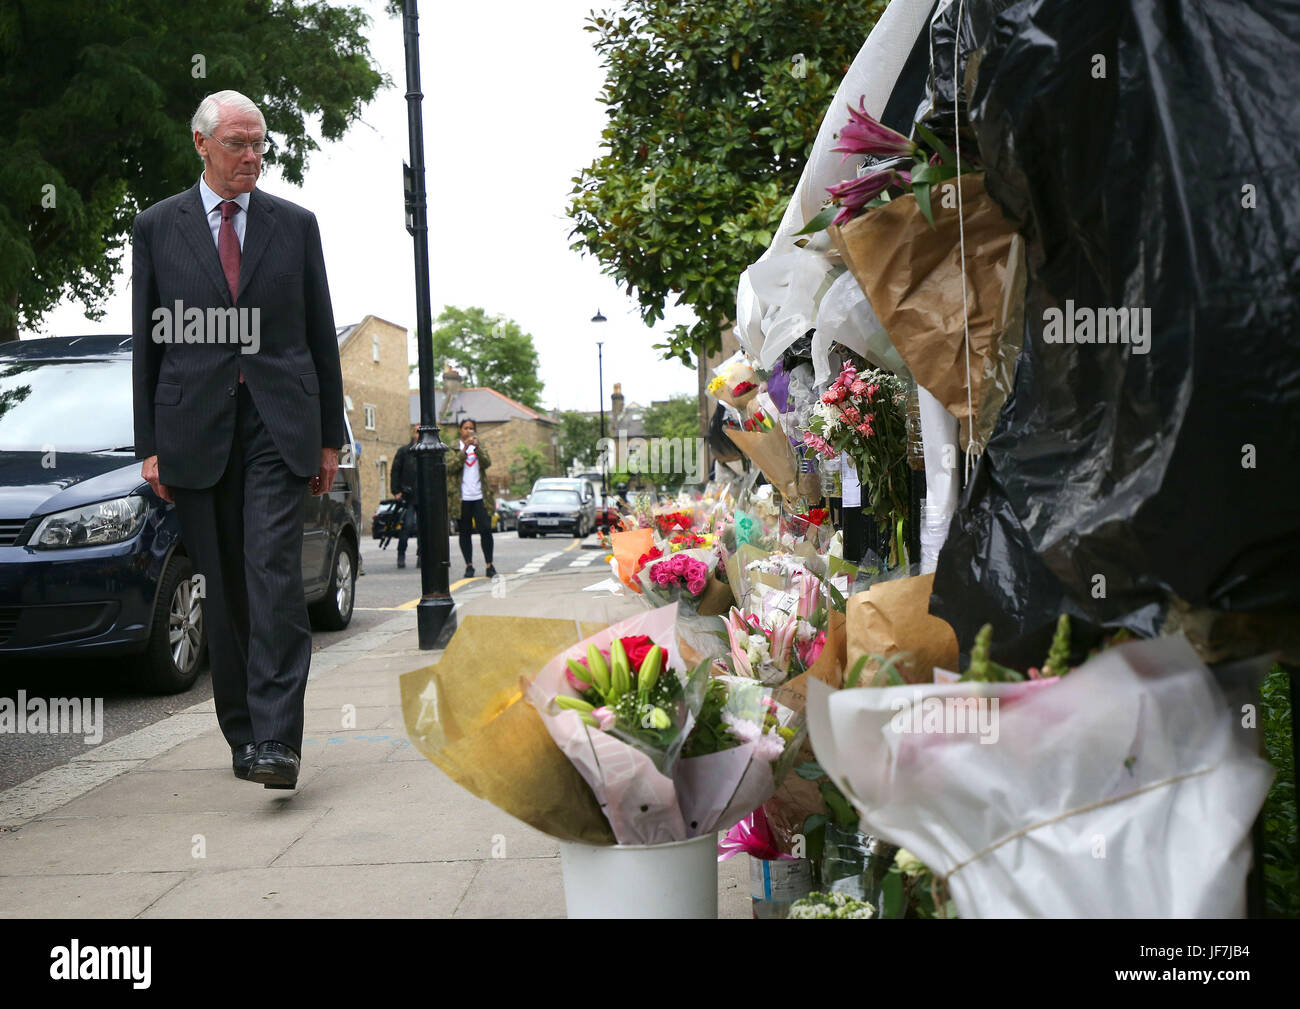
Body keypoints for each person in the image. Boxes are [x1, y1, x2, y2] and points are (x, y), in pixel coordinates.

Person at [131, 90, 345, 790]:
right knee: (222, 588)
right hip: (194, 425)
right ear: (202, 144)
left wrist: (329, 436)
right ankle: (245, 735)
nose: (251, 156)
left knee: (274, 574)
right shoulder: (157, 228)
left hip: (277, 423)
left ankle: (280, 739)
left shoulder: (296, 224)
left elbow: (319, 332)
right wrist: (149, 442)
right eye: (237, 144)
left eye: (259, 144)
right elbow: (149, 344)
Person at [447, 418, 496, 578]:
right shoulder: (453, 448)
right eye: (465, 428)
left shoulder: (479, 447)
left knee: (486, 530)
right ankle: (469, 565)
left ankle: (489, 564)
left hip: (480, 496)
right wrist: (464, 450)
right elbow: (450, 467)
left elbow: (487, 462)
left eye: (471, 428)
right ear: (460, 430)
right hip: (462, 498)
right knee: (465, 532)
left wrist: (476, 448)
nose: (468, 431)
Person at [389, 423, 420, 569]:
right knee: (406, 526)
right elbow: (395, 471)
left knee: (423, 528)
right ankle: (401, 554)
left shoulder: (425, 453)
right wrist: (396, 491)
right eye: (416, 432)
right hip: (408, 496)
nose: (418, 435)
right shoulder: (404, 452)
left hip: (423, 496)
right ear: (413, 434)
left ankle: (422, 556)